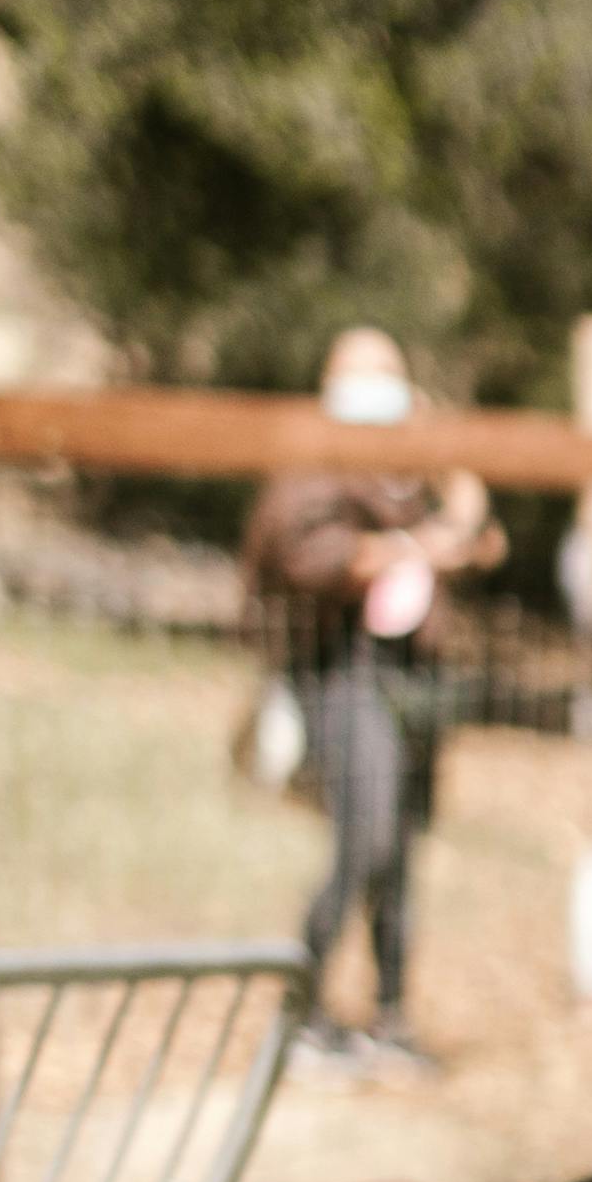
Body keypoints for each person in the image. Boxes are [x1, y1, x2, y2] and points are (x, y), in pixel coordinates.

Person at [242, 330, 501, 1069]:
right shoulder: (308, 472)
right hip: (338, 673)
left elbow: (477, 532)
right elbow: (308, 560)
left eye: (391, 375)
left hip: (408, 679)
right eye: (366, 377)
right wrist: (414, 548)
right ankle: (303, 1011)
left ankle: (390, 1017)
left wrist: (440, 448)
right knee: (367, 840)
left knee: (399, 855)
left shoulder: (407, 480)